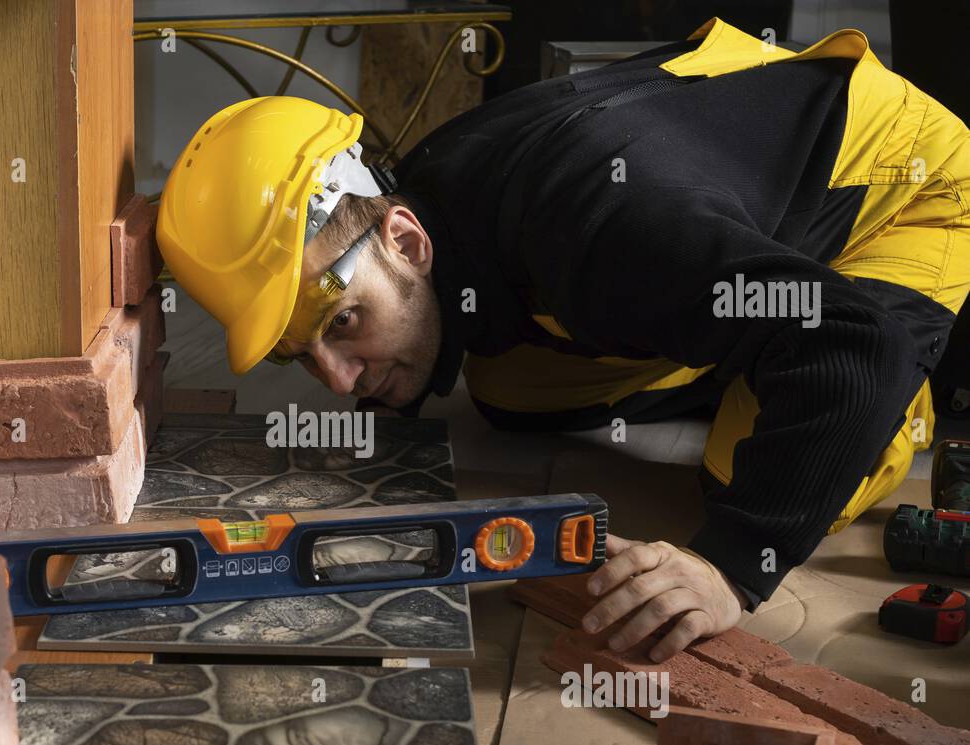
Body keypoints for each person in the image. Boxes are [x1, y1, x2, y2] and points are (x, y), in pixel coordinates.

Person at [156, 19, 970, 661]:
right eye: (297, 353)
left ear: (405, 240)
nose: (336, 382)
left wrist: (730, 567)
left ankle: (824, 377)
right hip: (707, 195)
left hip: (906, 184)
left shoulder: (606, 234)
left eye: (340, 324)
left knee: (772, 453)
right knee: (511, 389)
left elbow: (856, 350)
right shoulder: (439, 190)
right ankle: (735, 329)